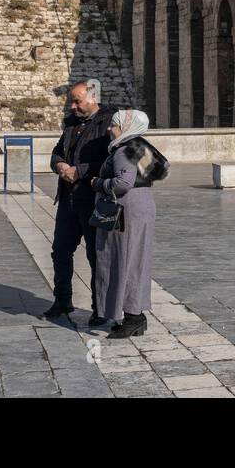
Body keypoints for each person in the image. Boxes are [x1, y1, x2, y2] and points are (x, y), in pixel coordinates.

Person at [46, 80, 116, 325]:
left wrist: (81, 171)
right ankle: (62, 299)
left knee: (96, 255)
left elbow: (113, 161)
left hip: (93, 199)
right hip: (68, 198)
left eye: (77, 101)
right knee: (60, 251)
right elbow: (56, 152)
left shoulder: (109, 122)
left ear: (92, 98)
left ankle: (101, 308)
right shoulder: (71, 124)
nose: (73, 106)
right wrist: (60, 165)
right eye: (71, 101)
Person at [92, 109, 167, 338]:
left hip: (126, 211)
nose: (109, 129)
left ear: (125, 127)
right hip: (142, 206)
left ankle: (132, 316)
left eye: (113, 125)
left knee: (121, 260)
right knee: (135, 260)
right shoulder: (139, 146)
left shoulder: (124, 150)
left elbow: (123, 182)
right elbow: (162, 170)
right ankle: (135, 315)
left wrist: (99, 183)